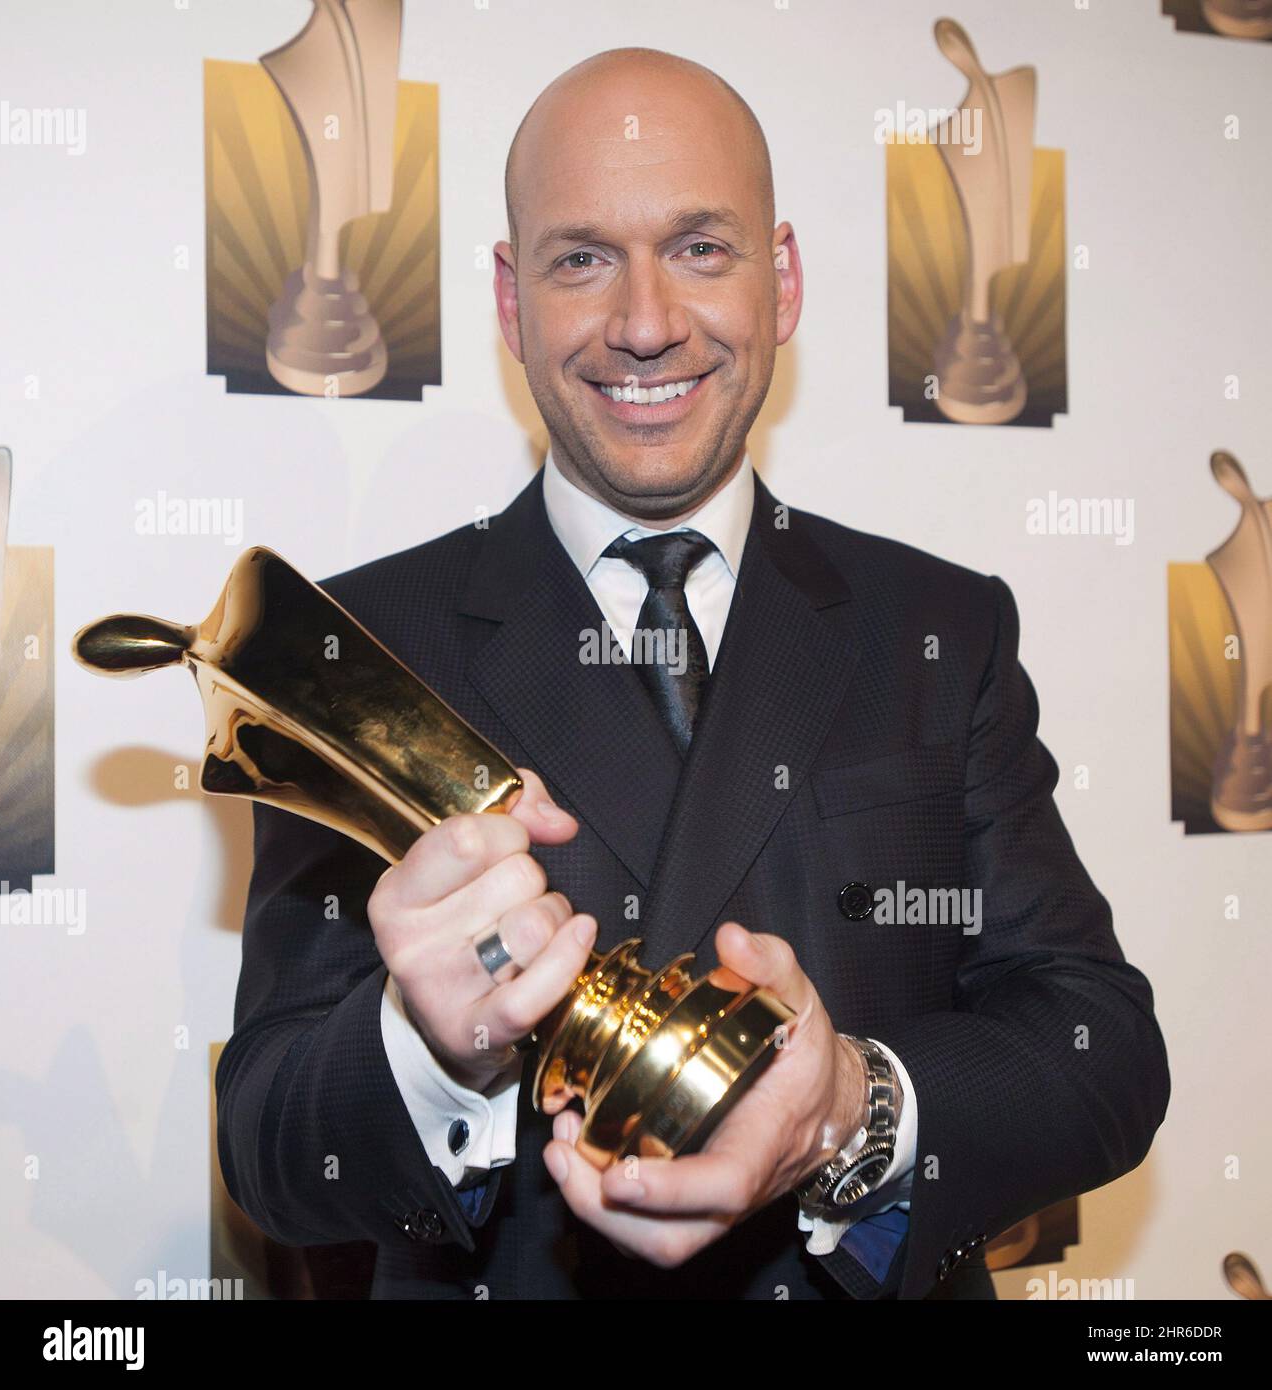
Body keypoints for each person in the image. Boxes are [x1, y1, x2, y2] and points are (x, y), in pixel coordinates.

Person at [216, 46, 1170, 1300]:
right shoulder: (358, 643)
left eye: (700, 249)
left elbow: (1098, 1050)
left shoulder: (939, 624)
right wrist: (428, 1051)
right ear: (510, 303)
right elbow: (270, 1144)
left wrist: (850, 1108)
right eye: (581, 258)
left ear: (779, 280)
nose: (648, 320)